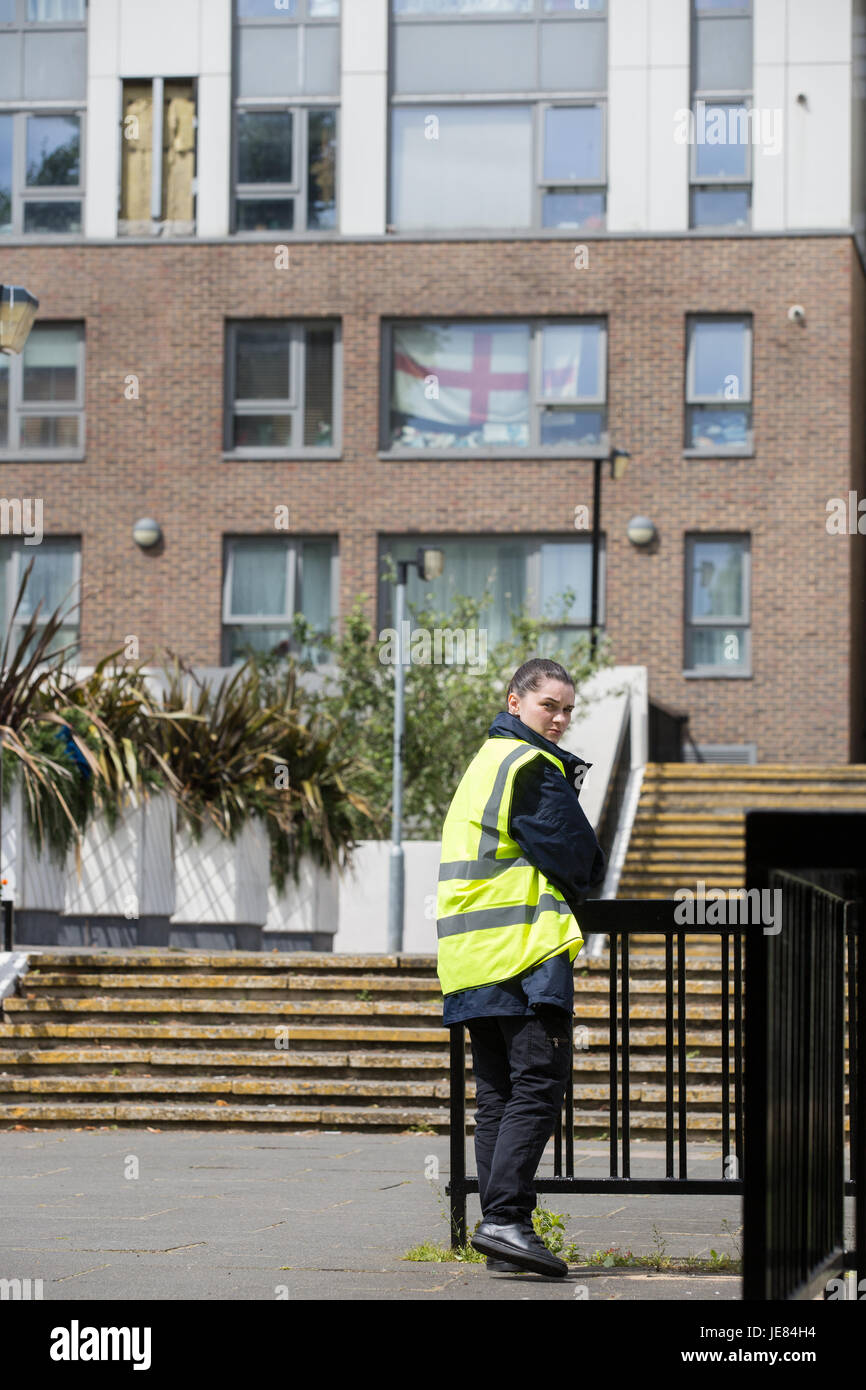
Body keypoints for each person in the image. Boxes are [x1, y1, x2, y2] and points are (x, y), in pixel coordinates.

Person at [436, 657, 606, 1277]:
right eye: (548, 707)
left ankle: (506, 1236)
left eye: (567, 710)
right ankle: (505, 1218)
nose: (559, 719)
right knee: (538, 1082)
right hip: (521, 954)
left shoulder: (485, 763)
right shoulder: (530, 767)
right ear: (515, 702)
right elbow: (582, 860)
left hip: (470, 957)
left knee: (499, 1095)